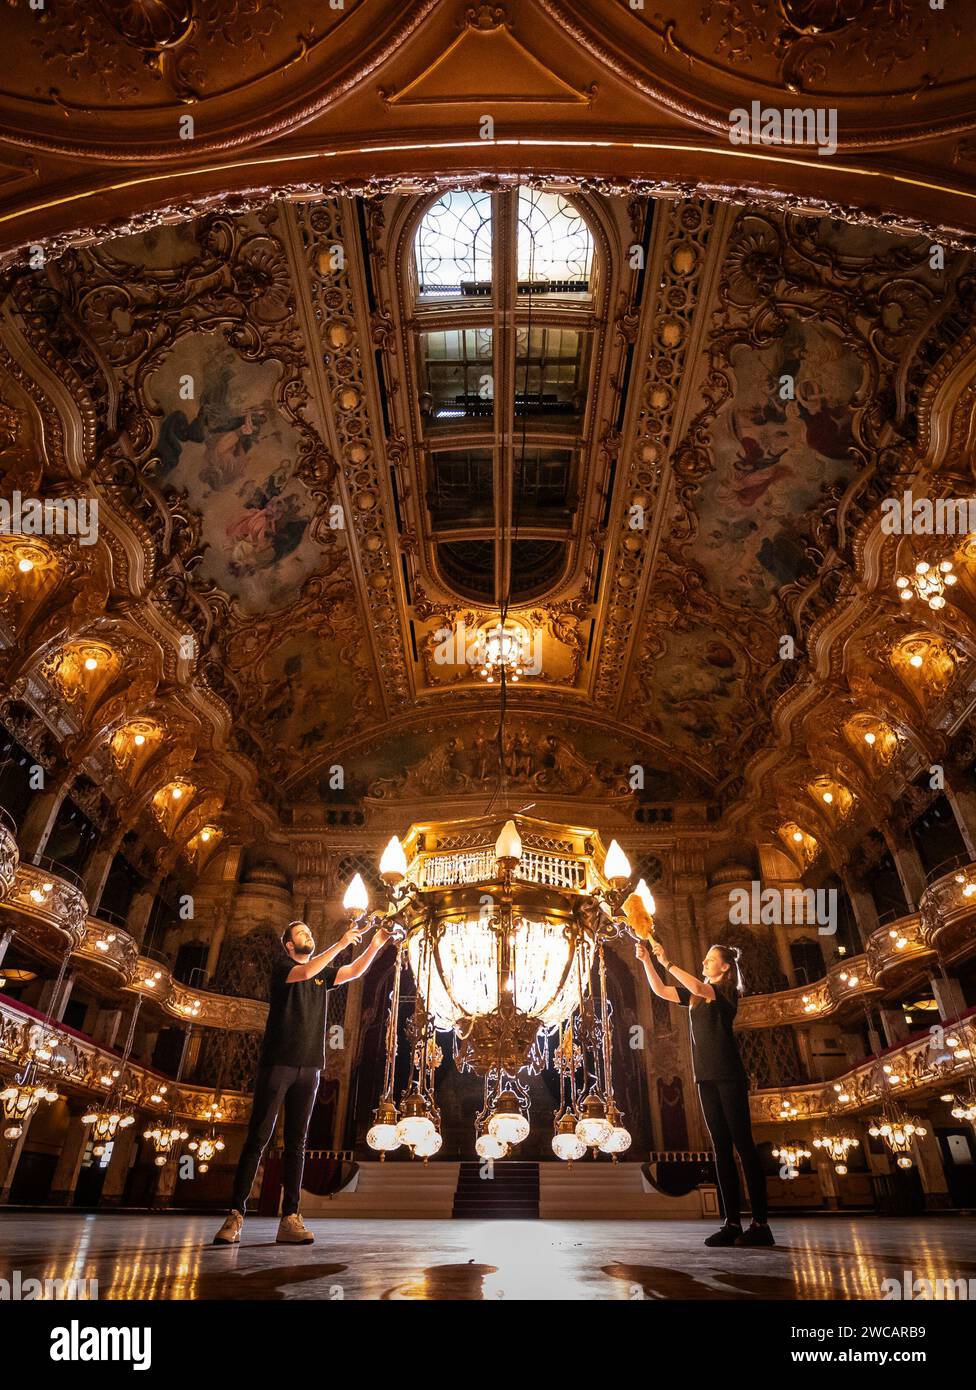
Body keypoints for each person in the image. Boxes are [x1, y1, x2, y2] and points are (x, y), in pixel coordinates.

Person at [213, 918, 390, 1246]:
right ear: (290, 945)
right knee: (258, 1139)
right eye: (301, 934)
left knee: (298, 1143)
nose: (307, 935)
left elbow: (352, 971)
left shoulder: (321, 973)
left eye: (310, 931)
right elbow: (305, 972)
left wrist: (376, 944)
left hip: (310, 1066)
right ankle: (235, 1215)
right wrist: (339, 943)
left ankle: (290, 1218)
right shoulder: (284, 968)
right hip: (278, 1062)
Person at [635, 936, 774, 1248]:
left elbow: (698, 987)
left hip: (728, 1075)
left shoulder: (724, 992)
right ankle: (732, 1222)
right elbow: (660, 990)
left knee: (744, 1146)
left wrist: (667, 961)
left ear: (724, 967)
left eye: (710, 960)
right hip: (706, 1078)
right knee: (721, 1149)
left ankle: (761, 1223)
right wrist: (647, 961)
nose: (704, 962)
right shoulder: (698, 998)